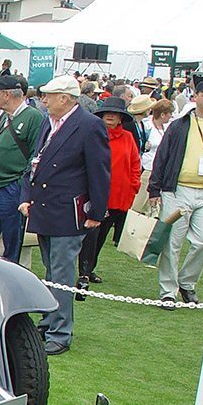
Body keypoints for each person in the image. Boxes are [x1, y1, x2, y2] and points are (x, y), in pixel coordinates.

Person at [19, 74, 111, 354]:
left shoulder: (89, 125)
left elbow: (100, 171)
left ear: (65, 98)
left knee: (60, 272)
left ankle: (60, 331)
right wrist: (27, 197)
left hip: (68, 213)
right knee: (51, 269)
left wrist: (96, 211)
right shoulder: (50, 123)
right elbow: (35, 163)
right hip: (46, 208)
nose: (43, 100)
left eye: (49, 95)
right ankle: (50, 320)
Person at [148, 79, 203, 309]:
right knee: (172, 243)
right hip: (178, 189)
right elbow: (162, 156)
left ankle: (187, 283)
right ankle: (168, 291)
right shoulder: (180, 124)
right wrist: (155, 188)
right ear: (196, 95)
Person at [77, 97, 141, 288]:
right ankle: (84, 272)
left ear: (121, 118)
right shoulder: (93, 133)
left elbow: (135, 164)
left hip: (118, 195)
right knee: (91, 233)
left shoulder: (128, 138)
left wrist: (133, 186)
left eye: (115, 113)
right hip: (94, 194)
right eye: (107, 112)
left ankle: (90, 268)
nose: (110, 116)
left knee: (102, 234)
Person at [0, 75, 43, 261]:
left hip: (11, 185)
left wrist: (22, 185)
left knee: (11, 237)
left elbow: (35, 155)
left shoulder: (33, 117)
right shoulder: (4, 117)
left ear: (6, 94)